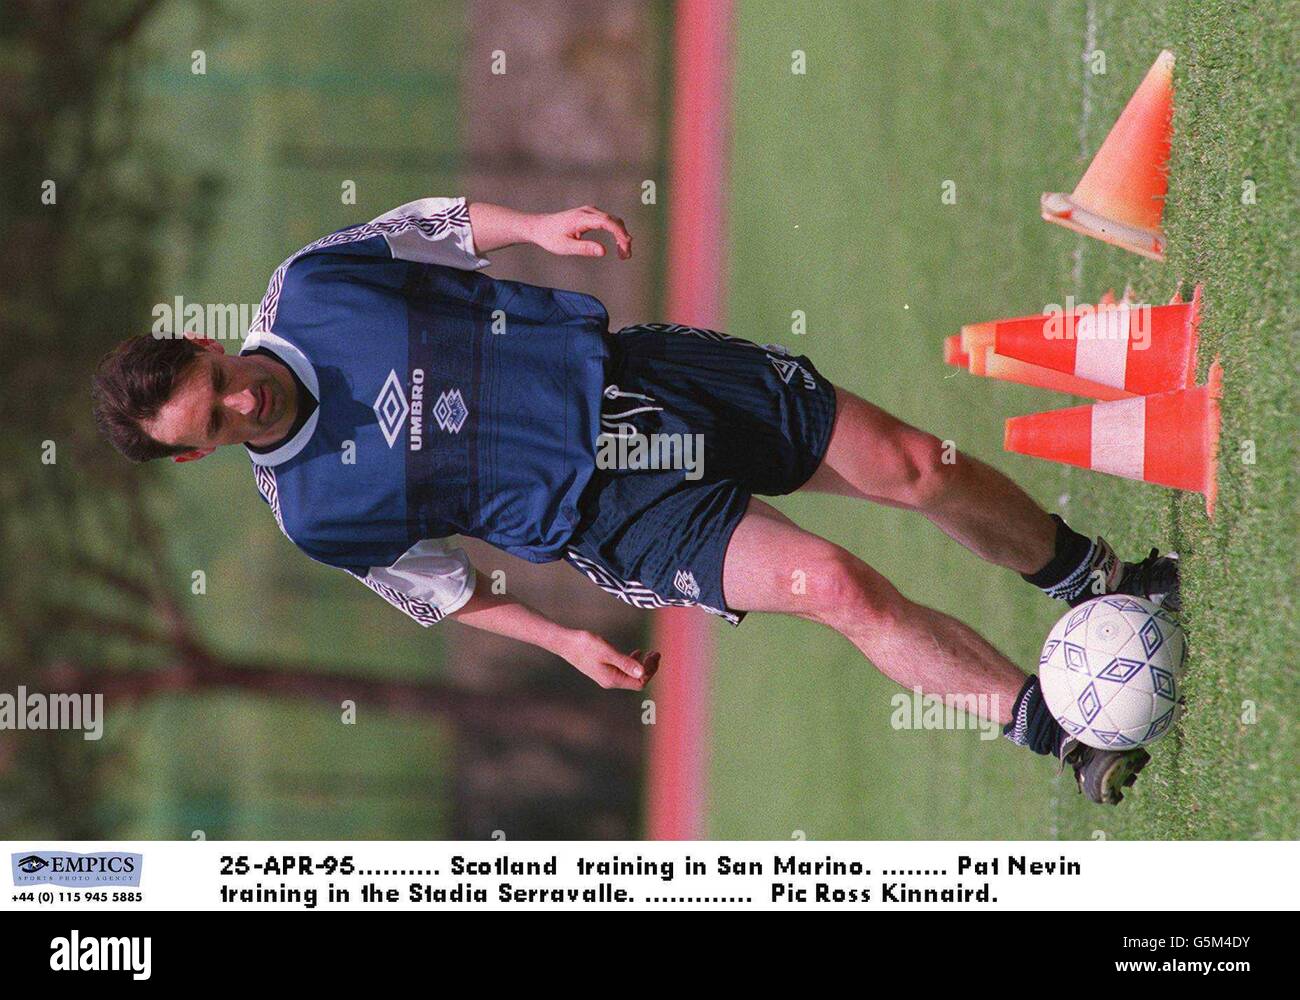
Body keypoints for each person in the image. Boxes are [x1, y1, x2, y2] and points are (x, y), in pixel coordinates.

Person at [92, 197, 1180, 805]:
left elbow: (436, 228)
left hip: (640, 384)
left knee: (914, 468)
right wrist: (562, 641)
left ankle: (1095, 576)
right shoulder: (314, 515)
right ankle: (1056, 730)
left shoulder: (311, 284)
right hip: (614, 514)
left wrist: (537, 222)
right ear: (200, 455)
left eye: (216, 380)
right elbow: (443, 592)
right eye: (217, 423)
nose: (242, 397)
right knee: (833, 582)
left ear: (201, 339)